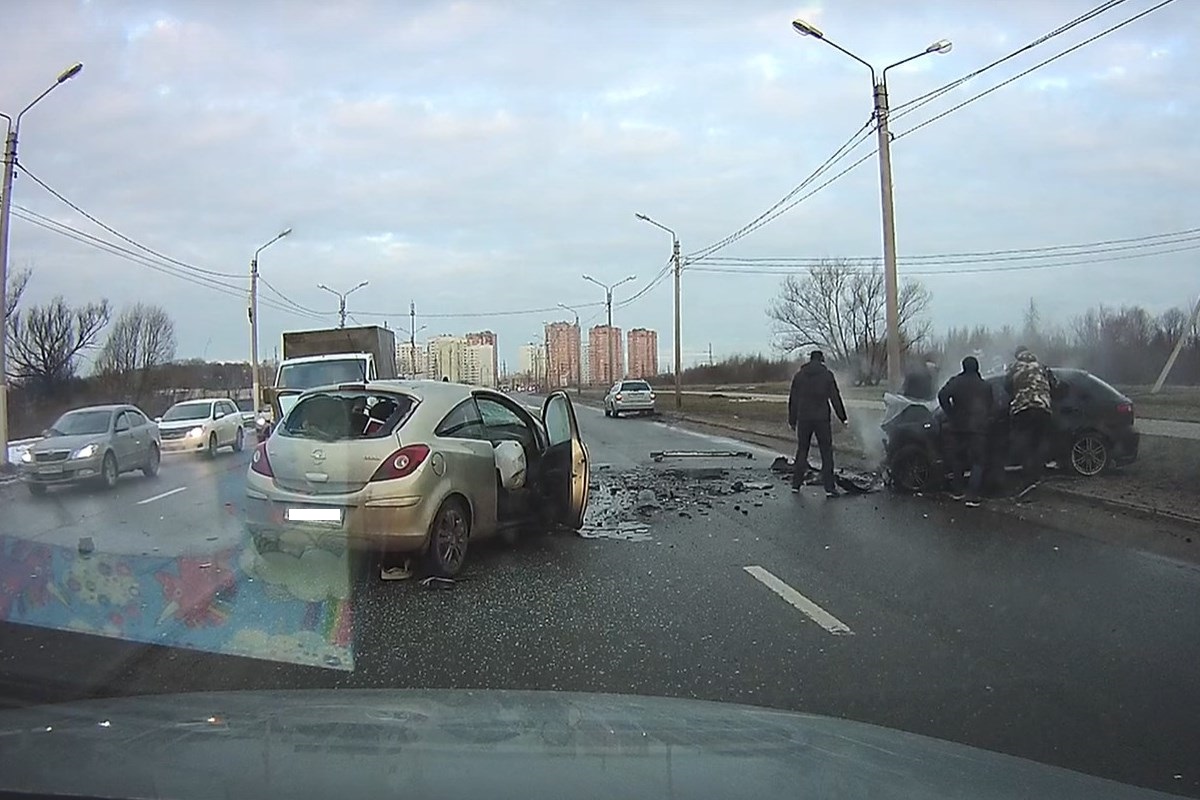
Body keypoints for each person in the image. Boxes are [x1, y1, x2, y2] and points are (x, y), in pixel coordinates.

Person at [787, 350, 848, 498]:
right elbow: (835, 397)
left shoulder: (799, 376)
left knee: (802, 450)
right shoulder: (827, 375)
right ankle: (829, 488)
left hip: (804, 418)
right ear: (822, 360)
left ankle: (796, 484)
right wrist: (843, 417)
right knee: (826, 452)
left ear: (810, 359)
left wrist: (792, 419)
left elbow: (793, 399)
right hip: (821, 419)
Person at [937, 356, 994, 507]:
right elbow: (990, 405)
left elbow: (942, 395)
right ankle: (972, 496)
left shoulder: (956, 381)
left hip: (958, 427)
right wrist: (984, 417)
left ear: (963, 367)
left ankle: (958, 491)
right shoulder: (985, 385)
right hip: (978, 429)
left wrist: (950, 413)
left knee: (958, 459)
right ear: (977, 367)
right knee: (978, 462)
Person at [1005, 346, 1057, 499]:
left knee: (1024, 445)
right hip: (1043, 408)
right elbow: (1055, 385)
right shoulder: (1042, 366)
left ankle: (1028, 480)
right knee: (1039, 443)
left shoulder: (1014, 367)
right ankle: (1038, 476)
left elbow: (1006, 386)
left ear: (1017, 356)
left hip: (1023, 410)